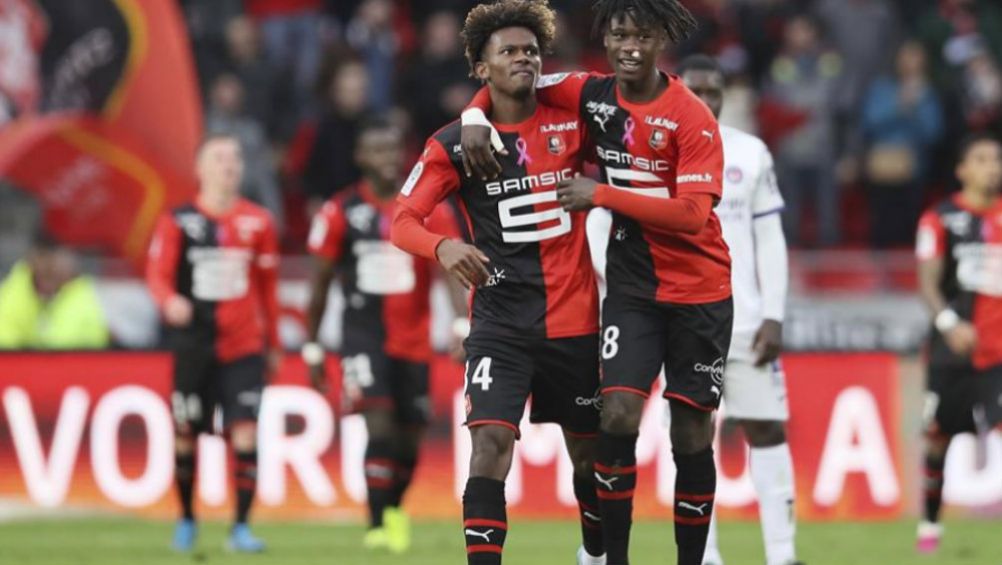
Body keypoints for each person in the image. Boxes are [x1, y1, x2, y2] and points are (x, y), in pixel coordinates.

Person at [460, 2, 733, 564]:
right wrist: (471, 116)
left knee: (690, 434)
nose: (629, 46)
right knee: (616, 416)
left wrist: (600, 194)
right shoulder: (590, 93)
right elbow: (514, 79)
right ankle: (614, 560)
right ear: (605, 41)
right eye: (618, 34)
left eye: (641, 35)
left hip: (700, 292)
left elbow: (692, 215)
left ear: (663, 40)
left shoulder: (691, 117)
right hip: (633, 291)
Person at [390, 2, 606, 564]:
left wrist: (475, 111)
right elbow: (402, 222)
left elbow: (609, 88)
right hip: (500, 324)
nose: (523, 59)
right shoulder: (454, 145)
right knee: (490, 445)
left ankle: (595, 553)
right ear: (481, 67)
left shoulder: (570, 113)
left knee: (590, 457)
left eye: (531, 50)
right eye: (507, 51)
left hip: (574, 317)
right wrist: (445, 245)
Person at [302, 116, 466, 553]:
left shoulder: (427, 208)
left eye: (393, 149)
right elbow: (319, 284)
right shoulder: (340, 211)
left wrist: (460, 323)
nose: (388, 158)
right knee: (380, 428)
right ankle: (376, 525)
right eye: (377, 150)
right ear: (360, 157)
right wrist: (313, 346)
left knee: (410, 440)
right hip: (362, 337)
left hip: (413, 340)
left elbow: (451, 269)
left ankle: (393, 507)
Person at [677, 54, 802, 565]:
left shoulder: (750, 153)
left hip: (747, 323)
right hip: (684, 321)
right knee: (693, 435)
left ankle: (782, 554)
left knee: (768, 429)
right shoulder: (655, 153)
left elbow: (770, 241)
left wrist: (774, 314)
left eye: (713, 91)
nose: (705, 101)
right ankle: (705, 556)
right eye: (694, 92)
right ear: (677, 94)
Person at [146, 133, 281, 553]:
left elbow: (268, 290)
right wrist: (169, 303)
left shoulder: (258, 222)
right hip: (194, 347)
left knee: (245, 433)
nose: (229, 165)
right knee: (185, 434)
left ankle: (240, 528)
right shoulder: (178, 221)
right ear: (200, 169)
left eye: (235, 158)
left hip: (243, 347)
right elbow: (157, 275)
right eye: (220, 158)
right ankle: (187, 519)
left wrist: (273, 343)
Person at [914, 132, 1002, 553]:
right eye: (982, 160)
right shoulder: (940, 218)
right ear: (963, 170)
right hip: (952, 349)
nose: (993, 167)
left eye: (996, 160)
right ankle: (930, 526)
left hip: (999, 351)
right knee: (938, 438)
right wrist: (950, 323)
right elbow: (927, 283)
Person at [0, 233, 110, 350]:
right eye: (42, 257)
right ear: (31, 258)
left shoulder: (86, 301)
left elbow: (85, 353)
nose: (47, 267)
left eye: (54, 261)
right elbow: (4, 342)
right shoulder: (12, 292)